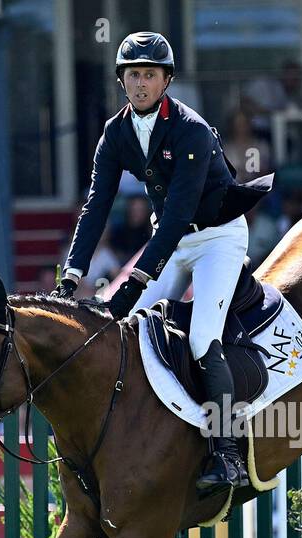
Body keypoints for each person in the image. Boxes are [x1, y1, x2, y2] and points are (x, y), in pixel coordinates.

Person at [57, 31, 274, 497]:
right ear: (122, 81)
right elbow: (96, 206)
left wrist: (134, 282)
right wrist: (71, 274)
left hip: (216, 238)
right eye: (132, 74)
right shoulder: (115, 134)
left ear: (166, 80)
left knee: (201, 337)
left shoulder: (191, 130)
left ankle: (226, 452)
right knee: (127, 332)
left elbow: (176, 216)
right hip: (172, 239)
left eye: (149, 75)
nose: (140, 83)